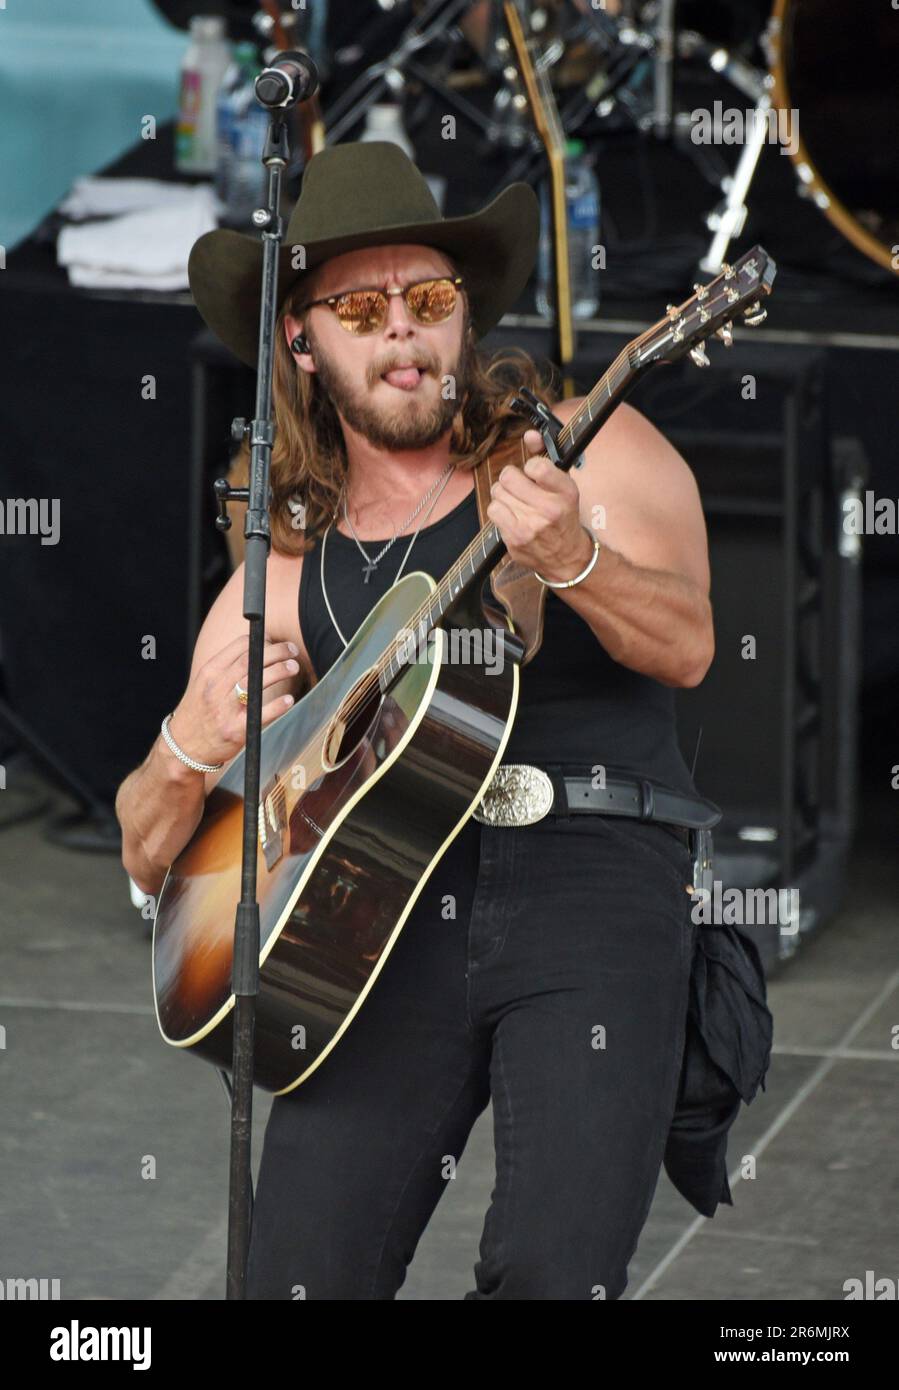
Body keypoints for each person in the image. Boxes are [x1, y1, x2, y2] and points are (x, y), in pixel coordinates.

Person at [115, 141, 718, 1300]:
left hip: (590, 871)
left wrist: (575, 557)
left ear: (462, 320)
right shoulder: (285, 559)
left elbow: (689, 645)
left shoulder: (584, 443)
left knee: (550, 1271)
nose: (402, 329)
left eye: (428, 299)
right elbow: (151, 853)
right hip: (377, 911)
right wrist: (189, 742)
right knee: (293, 1276)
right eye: (359, 305)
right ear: (301, 341)